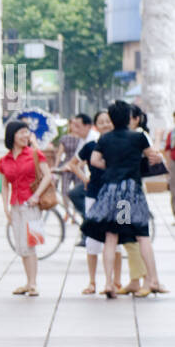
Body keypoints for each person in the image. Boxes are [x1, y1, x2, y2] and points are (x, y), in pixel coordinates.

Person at [82, 100, 166, 298]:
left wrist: (110, 167)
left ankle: (109, 282)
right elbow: (153, 156)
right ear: (129, 117)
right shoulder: (138, 138)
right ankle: (153, 279)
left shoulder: (105, 139)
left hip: (111, 192)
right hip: (131, 193)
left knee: (111, 236)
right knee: (142, 235)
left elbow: (94, 160)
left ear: (111, 118)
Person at [0, 119, 54, 297]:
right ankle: (28, 282)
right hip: (15, 205)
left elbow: (47, 176)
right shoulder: (4, 160)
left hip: (31, 205)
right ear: (11, 135)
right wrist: (6, 207)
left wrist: (36, 195)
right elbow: (5, 185)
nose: (25, 136)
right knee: (21, 246)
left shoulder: (35, 154)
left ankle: (33, 283)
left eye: (27, 132)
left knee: (30, 244)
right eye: (21, 132)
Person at [69, 110, 120, 295]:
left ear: (114, 123)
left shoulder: (120, 145)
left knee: (117, 242)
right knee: (92, 240)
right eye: (102, 122)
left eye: (109, 121)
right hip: (94, 196)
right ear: (96, 126)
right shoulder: (90, 145)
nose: (106, 124)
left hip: (117, 196)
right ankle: (92, 282)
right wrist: (84, 178)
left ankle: (117, 281)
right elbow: (73, 164)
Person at [60, 114, 91, 229]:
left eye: (78, 126)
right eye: (74, 126)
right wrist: (86, 180)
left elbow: (83, 161)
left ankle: (89, 221)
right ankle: (87, 222)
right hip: (93, 179)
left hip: (106, 182)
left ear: (87, 126)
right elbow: (75, 161)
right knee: (73, 193)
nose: (75, 129)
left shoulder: (94, 139)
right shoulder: (83, 140)